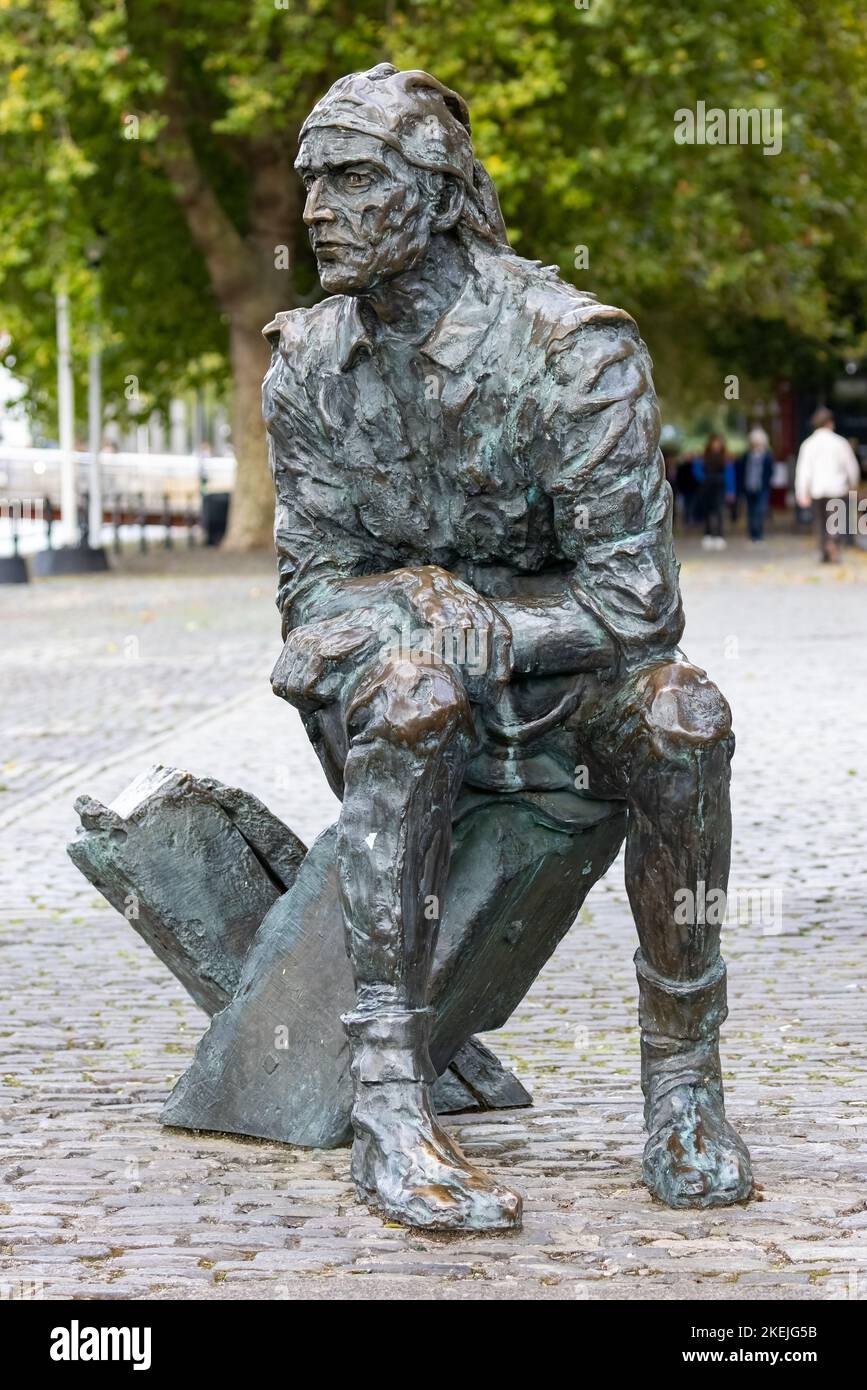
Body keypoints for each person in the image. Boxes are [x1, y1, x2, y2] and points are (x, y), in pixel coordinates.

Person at [264, 63, 752, 1230]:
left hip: (560, 704)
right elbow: (309, 604)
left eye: (352, 176)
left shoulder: (569, 349)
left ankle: (685, 1083)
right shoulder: (307, 364)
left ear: (434, 194)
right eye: (309, 182)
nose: (318, 209)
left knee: (685, 718)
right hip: (402, 700)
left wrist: (495, 626)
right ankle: (389, 1105)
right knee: (415, 683)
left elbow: (638, 603)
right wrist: (417, 611)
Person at [795, 406, 860, 563]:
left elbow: (803, 470)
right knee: (835, 521)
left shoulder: (808, 444)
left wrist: (802, 492)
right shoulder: (840, 443)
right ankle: (833, 544)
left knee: (820, 521)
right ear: (830, 423)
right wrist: (853, 484)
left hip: (817, 489)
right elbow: (851, 466)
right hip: (837, 488)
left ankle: (823, 549)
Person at [735, 426, 775, 541]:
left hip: (762, 487)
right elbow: (741, 471)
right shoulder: (746, 456)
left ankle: (759, 533)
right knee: (751, 511)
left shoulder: (767, 456)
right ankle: (752, 533)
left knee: (760, 511)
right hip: (749, 487)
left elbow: (770, 472)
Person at [695, 433, 732, 550]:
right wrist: (704, 479)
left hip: (720, 487)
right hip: (707, 487)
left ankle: (719, 536)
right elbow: (697, 470)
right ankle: (708, 535)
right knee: (707, 512)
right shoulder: (704, 457)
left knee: (719, 511)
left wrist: (731, 490)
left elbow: (730, 475)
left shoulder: (726, 458)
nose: (716, 446)